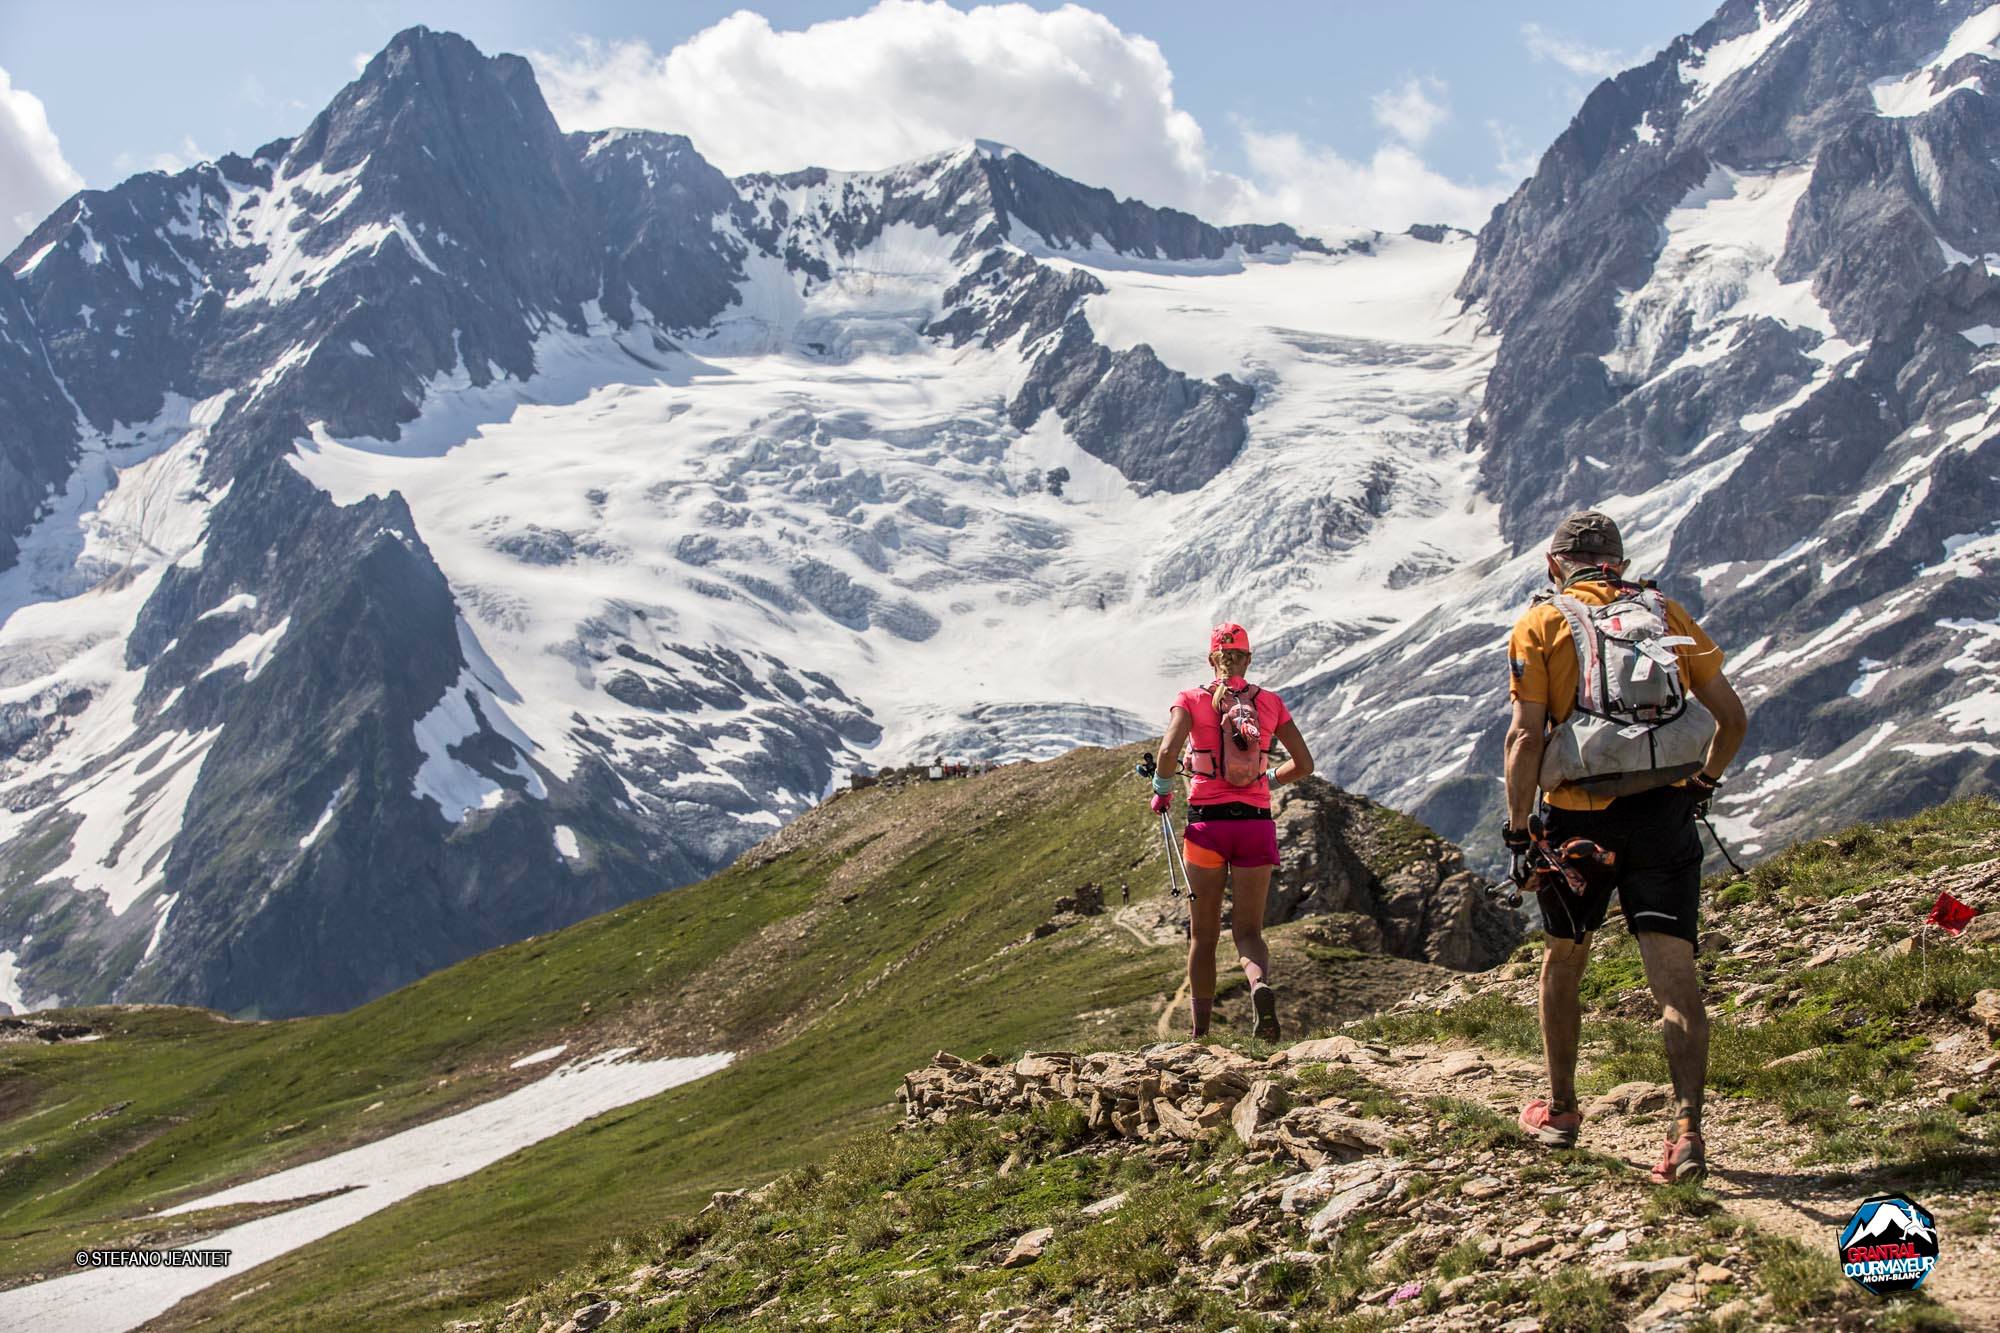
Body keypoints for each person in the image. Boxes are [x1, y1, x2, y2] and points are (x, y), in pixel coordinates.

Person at [1503, 511, 1748, 1185]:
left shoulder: (1541, 623)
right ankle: (1688, 1130)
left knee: (1564, 962)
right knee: (1675, 976)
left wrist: (1520, 830)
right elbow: (1731, 719)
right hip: (1664, 815)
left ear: (1554, 566)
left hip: (1577, 825)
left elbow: (1524, 737)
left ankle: (1560, 1111)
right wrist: (1700, 785)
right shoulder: (1664, 613)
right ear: (1620, 562)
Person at [1149, 623, 1315, 1041]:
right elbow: (1305, 764)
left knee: (1203, 937)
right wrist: (1267, 778)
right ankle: (1258, 986)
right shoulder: (1270, 702)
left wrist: (1162, 791)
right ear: (1247, 659)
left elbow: (1168, 751)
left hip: (1207, 826)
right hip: (1255, 826)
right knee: (1249, 932)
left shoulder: (1191, 699)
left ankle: (1200, 1035)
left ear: (1212, 659)